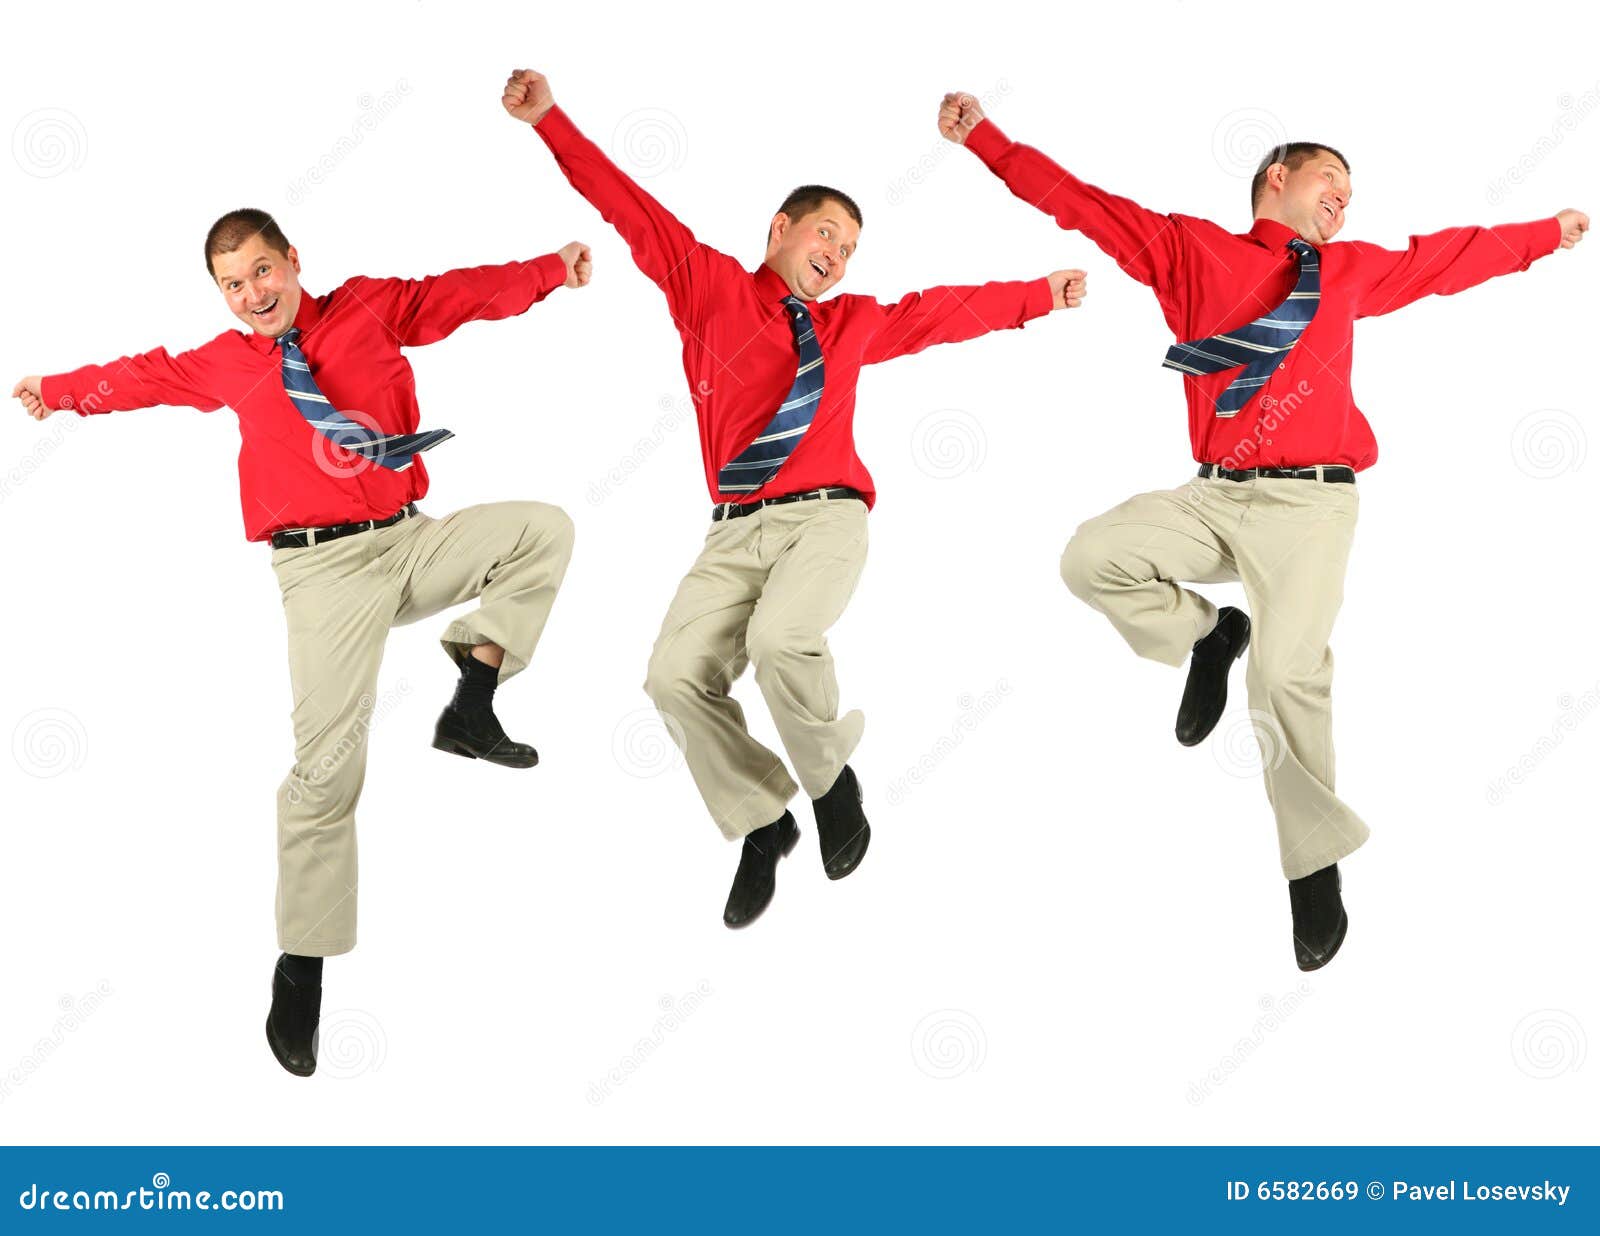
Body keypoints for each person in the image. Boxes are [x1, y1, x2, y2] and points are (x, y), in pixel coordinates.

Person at [938, 90, 1588, 970]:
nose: (1343, 200)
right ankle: (1210, 634)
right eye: (1331, 180)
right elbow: (1077, 199)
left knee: (1284, 679)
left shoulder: (1348, 269)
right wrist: (987, 140)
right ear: (1276, 179)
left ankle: (1312, 866)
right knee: (1091, 556)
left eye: (1350, 192)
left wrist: (1545, 234)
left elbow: (1447, 259)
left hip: (1310, 506)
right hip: (1214, 497)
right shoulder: (1188, 250)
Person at [502, 68, 1085, 928]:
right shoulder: (709, 289)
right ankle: (763, 820)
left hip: (827, 516)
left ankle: (830, 782)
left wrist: (1039, 294)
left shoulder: (848, 324)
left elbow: (939, 312)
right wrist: (550, 120)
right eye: (827, 234)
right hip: (734, 532)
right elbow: (628, 204)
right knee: (670, 677)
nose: (838, 256)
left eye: (850, 248)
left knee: (781, 638)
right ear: (782, 229)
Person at [13, 210, 592, 1073]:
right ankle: (302, 967)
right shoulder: (230, 362)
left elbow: (458, 295)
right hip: (323, 576)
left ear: (292, 261)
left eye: (261, 272)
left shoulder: (367, 309)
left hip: (408, 537)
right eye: (232, 285)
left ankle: (471, 708)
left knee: (541, 529)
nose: (252, 295)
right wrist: (56, 389)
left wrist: (552, 267)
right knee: (326, 770)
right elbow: (147, 377)